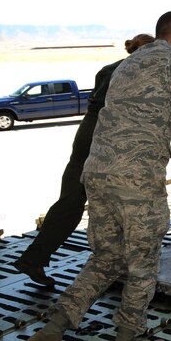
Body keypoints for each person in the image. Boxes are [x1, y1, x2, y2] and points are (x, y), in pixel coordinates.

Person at [17, 11, 171, 341]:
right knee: (142, 263)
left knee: (107, 258)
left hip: (98, 172)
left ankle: (49, 335)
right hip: (135, 179)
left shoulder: (129, 63)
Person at [12, 34, 155, 287]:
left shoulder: (107, 69)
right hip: (105, 136)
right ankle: (111, 264)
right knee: (117, 202)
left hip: (86, 132)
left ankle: (35, 257)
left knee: (71, 199)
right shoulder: (135, 73)